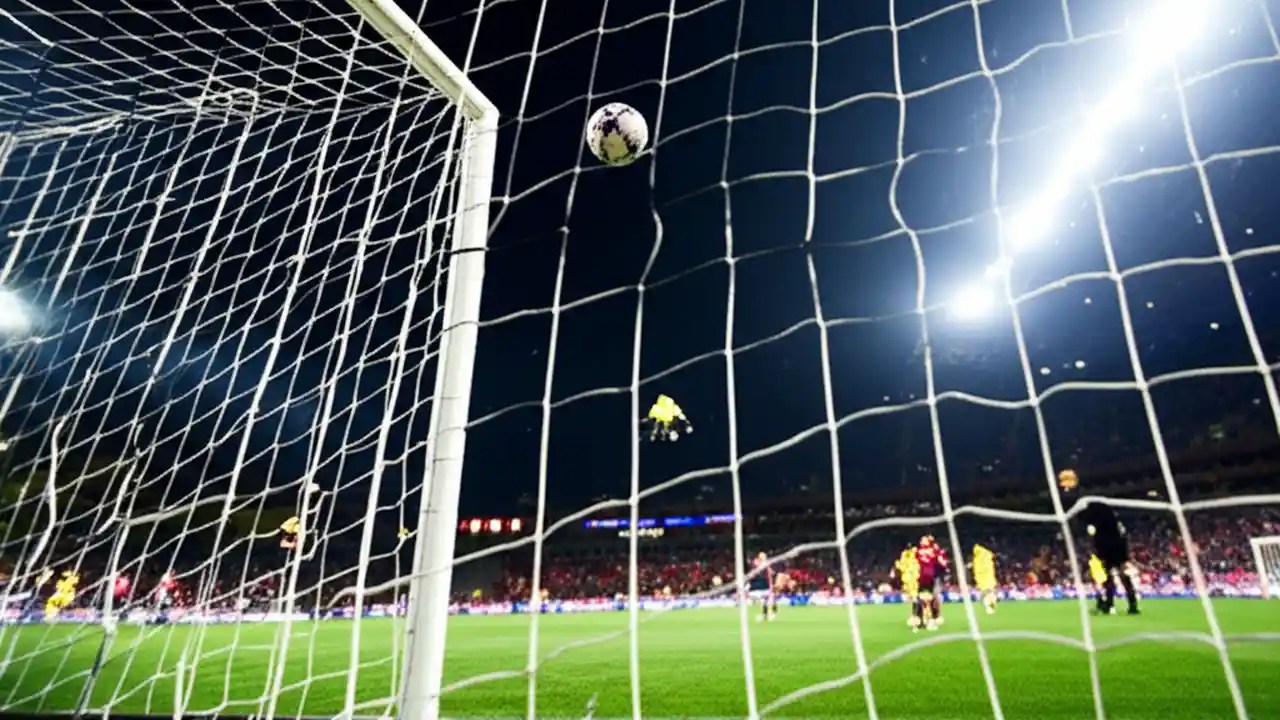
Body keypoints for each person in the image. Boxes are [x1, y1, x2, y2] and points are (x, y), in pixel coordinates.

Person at [1060, 469, 1139, 615]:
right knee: (1120, 573)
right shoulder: (1107, 508)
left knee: (1109, 574)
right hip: (1118, 542)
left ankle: (1109, 604)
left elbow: (1081, 522)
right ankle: (1130, 605)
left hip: (1107, 542)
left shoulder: (1086, 507)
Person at [915, 535, 949, 630]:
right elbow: (942, 562)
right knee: (921, 599)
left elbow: (942, 562)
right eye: (922, 540)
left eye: (924, 540)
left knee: (931, 598)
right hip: (922, 577)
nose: (922, 541)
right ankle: (922, 620)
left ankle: (932, 618)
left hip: (930, 577)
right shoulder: (919, 551)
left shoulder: (932, 550)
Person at [891, 544, 921, 629]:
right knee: (913, 599)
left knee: (914, 598)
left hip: (913, 580)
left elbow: (903, 567)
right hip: (910, 580)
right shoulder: (907, 556)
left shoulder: (911, 557)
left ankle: (915, 616)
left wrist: (898, 564)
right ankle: (914, 616)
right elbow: (902, 567)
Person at [972, 544, 998, 614]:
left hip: (985, 578)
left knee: (988, 592)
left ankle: (988, 605)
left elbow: (977, 570)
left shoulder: (979, 558)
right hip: (987, 577)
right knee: (989, 591)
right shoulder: (986, 557)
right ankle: (989, 606)